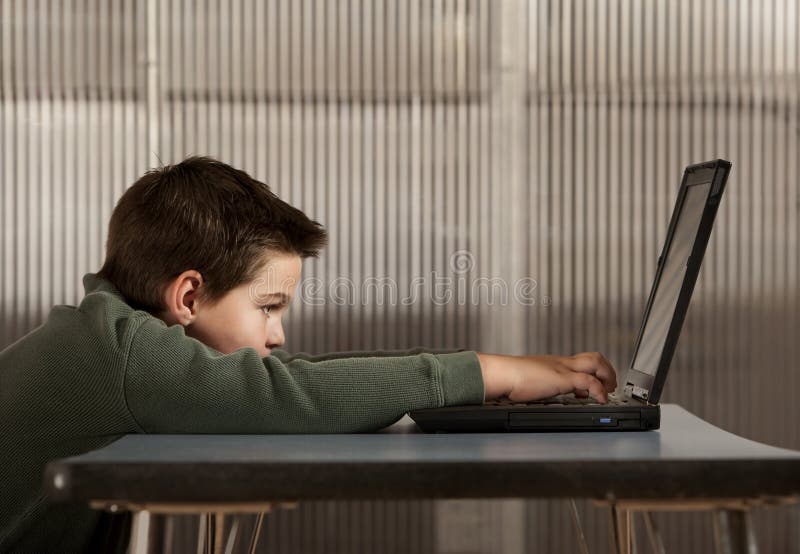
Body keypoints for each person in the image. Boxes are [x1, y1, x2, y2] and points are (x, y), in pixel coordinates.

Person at [0, 156, 617, 552]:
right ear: (188, 295)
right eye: (268, 307)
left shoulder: (105, 334)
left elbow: (289, 377)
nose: (278, 335)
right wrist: (489, 374)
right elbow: (284, 394)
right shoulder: (120, 352)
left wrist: (477, 369)